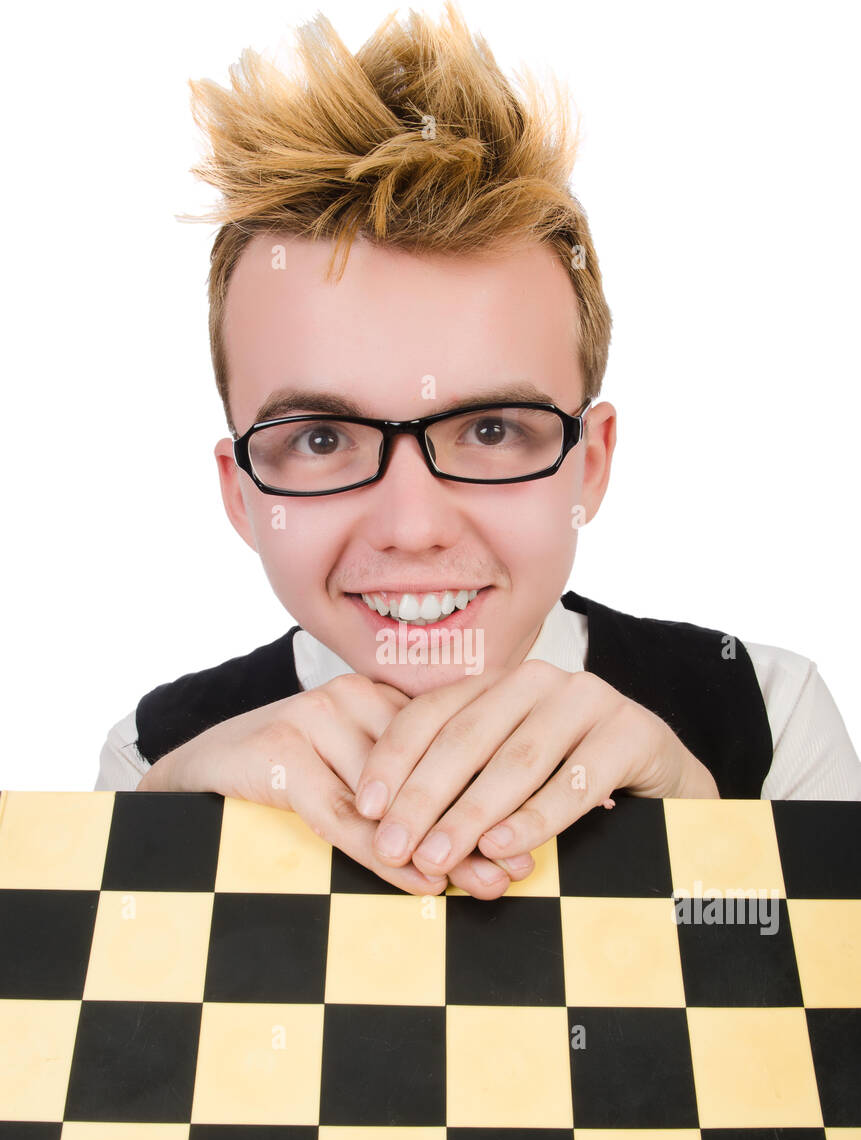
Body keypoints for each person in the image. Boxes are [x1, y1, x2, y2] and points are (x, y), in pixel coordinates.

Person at [95, 3, 861, 899]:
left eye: (491, 430)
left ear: (591, 463)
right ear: (241, 493)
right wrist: (150, 855)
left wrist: (708, 845)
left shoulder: (766, 719)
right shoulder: (158, 757)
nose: (412, 527)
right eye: (321, 438)